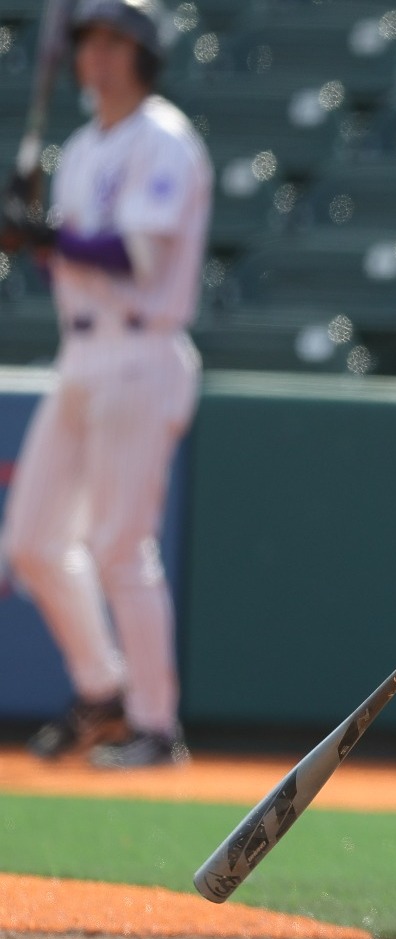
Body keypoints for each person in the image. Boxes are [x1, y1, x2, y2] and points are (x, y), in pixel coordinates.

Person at [0, 0, 210, 769]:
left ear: (144, 54)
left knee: (120, 542)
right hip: (81, 354)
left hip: (141, 351)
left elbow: (133, 257)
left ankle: (156, 727)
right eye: (90, 41)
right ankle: (104, 690)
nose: (97, 55)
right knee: (31, 542)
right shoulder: (84, 145)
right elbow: (71, 255)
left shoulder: (165, 139)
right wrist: (28, 236)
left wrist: (46, 235)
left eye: (116, 42)